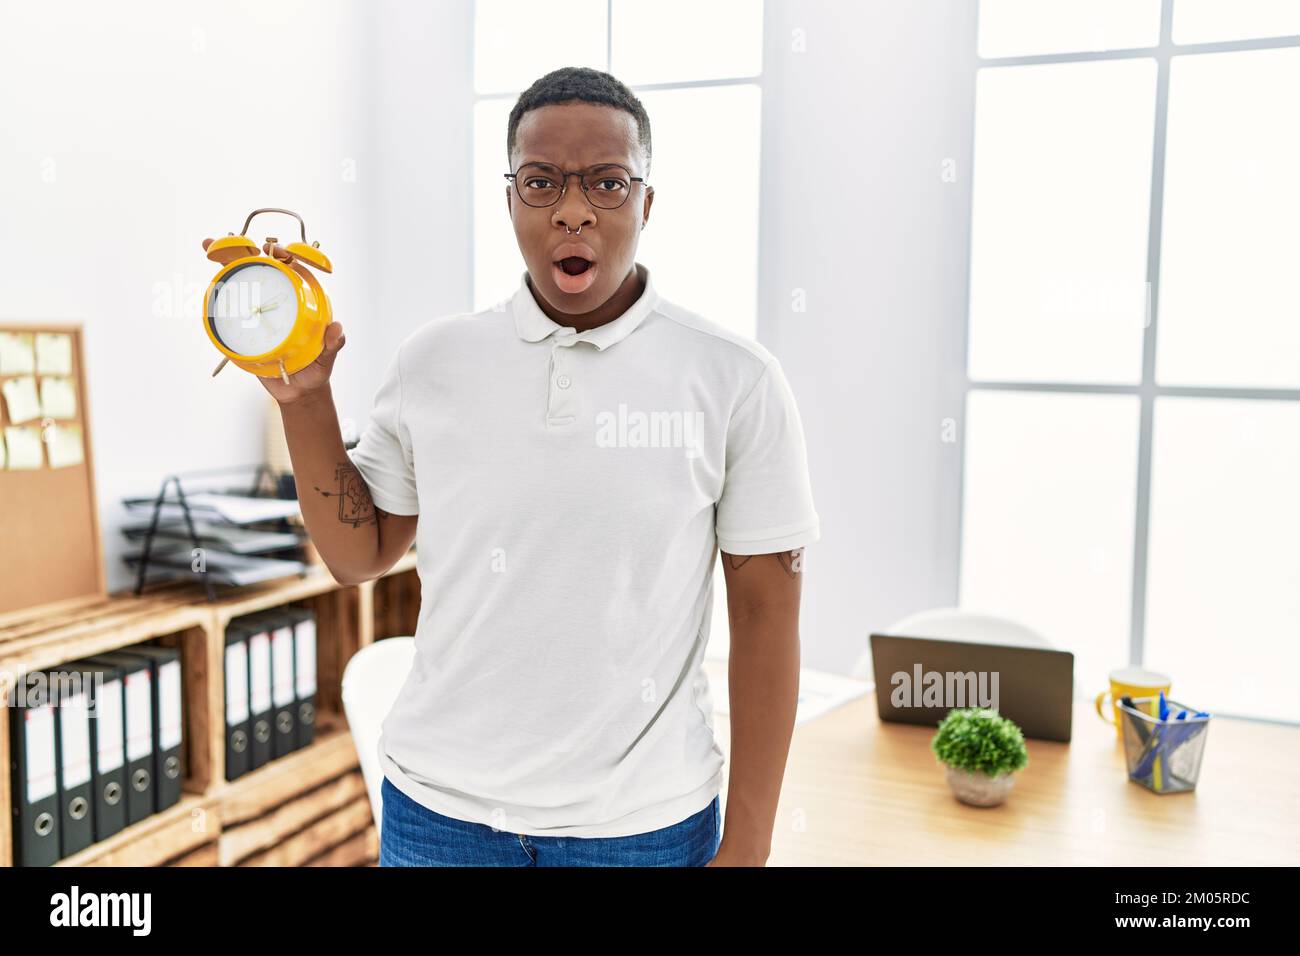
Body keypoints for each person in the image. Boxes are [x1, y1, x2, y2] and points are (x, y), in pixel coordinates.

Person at [212, 66, 819, 867]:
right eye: (542, 183)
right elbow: (358, 554)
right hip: (438, 822)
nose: (573, 210)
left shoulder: (734, 378)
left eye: (607, 183)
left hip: (643, 832)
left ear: (646, 201)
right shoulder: (436, 361)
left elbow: (768, 621)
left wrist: (747, 847)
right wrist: (304, 402)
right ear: (509, 201)